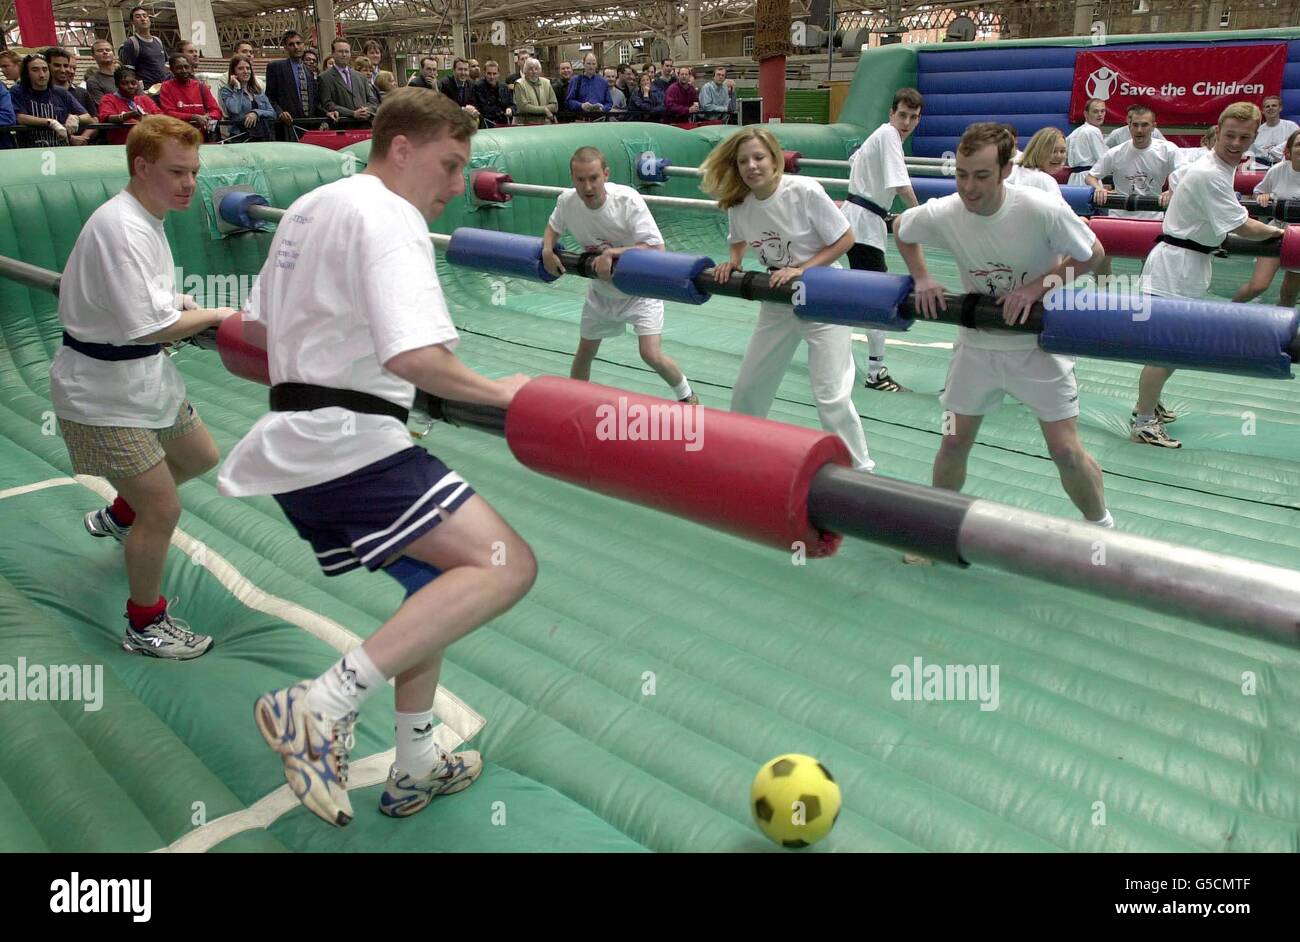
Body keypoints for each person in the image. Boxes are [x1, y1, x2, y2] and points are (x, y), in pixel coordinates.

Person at [218, 88, 536, 827]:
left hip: (301, 439)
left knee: (437, 592)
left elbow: (259, 328)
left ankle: (416, 763)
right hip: (350, 445)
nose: (458, 185)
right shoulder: (390, 214)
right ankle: (317, 706)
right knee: (506, 564)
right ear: (400, 149)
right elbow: (414, 355)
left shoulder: (310, 207)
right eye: (449, 164)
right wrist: (501, 394)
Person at [52, 115, 235, 658]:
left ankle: (119, 515)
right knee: (163, 510)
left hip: (144, 377)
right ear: (141, 167)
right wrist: (218, 315)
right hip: (101, 393)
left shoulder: (145, 216)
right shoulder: (122, 227)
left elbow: (140, 300)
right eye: (177, 172)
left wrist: (175, 302)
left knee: (199, 455)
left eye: (194, 172)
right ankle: (145, 625)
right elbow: (145, 327)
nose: (189, 183)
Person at [893, 122, 1112, 542]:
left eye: (981, 176)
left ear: (1006, 170)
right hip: (976, 347)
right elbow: (902, 227)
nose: (968, 187)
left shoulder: (1040, 209)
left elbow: (1092, 254)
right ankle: (936, 531)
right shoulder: (947, 211)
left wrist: (1035, 289)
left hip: (1037, 348)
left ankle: (1103, 531)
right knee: (953, 442)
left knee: (1066, 450)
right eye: (961, 174)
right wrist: (921, 277)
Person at [701, 127, 875, 471]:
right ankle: (737, 457)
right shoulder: (740, 203)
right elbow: (738, 236)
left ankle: (861, 471)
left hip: (825, 296)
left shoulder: (804, 191)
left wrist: (803, 270)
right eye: (743, 161)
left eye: (759, 158)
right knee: (749, 387)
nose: (752, 166)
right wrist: (734, 261)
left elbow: (845, 238)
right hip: (779, 299)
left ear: (775, 159)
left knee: (831, 395)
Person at [1133, 102, 1287, 448]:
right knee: (1167, 350)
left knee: (1170, 348)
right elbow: (1242, 226)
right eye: (1230, 135)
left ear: (1254, 138)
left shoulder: (1217, 166)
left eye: (1244, 137)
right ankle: (1144, 421)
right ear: (1218, 132)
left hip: (1187, 262)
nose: (1235, 143)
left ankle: (1147, 404)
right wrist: (1283, 234)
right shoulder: (1210, 173)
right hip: (1175, 266)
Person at [542, 146, 698, 404]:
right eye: (581, 179)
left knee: (650, 354)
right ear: (572, 179)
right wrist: (547, 249)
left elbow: (656, 248)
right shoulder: (567, 201)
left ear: (606, 174)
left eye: (594, 178)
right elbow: (553, 226)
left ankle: (688, 397)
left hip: (640, 291)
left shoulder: (627, 200)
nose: (588, 187)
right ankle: (573, 403)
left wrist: (613, 253)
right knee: (585, 350)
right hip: (601, 292)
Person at [841, 87, 923, 393]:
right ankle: (875, 373)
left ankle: (836, 355)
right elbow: (901, 185)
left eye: (913, 117)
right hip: (863, 224)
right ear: (892, 113)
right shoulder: (888, 135)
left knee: (858, 294)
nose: (906, 122)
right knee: (876, 297)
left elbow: (856, 161)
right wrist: (922, 216)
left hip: (862, 220)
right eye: (902, 115)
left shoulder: (879, 135)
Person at [1232, 129, 1300, 309]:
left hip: (1299, 238)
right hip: (1277, 231)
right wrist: (1265, 196)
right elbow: (1259, 192)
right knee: (1258, 286)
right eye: (1298, 145)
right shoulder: (1277, 170)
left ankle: (1284, 324)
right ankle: (1223, 314)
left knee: (1289, 293)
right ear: (1289, 151)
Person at [1085, 104, 1178, 220]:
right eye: (1135, 125)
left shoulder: (1167, 150)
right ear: (1129, 126)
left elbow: (1185, 173)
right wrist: (1098, 188)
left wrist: (1172, 190)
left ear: (1153, 126)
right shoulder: (1116, 152)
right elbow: (1090, 176)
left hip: (1152, 217)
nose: (1139, 130)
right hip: (1118, 217)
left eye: (1144, 125)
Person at [11, 54, 91, 147]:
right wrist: (51, 122)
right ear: (27, 73)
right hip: (30, 149)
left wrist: (76, 118)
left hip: (60, 147)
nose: (42, 75)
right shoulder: (18, 91)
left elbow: (87, 117)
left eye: (45, 70)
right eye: (35, 70)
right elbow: (20, 117)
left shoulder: (60, 92)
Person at [265, 30, 326, 141]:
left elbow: (314, 102)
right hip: (286, 127)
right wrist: (280, 113)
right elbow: (269, 96)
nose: (296, 47)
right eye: (291, 44)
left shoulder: (309, 72)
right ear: (285, 47)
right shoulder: (275, 67)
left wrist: (327, 114)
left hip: (308, 127)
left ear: (304, 45)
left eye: (298, 43)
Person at [317, 39, 379, 125]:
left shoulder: (360, 76)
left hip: (364, 125)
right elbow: (327, 104)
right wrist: (352, 114)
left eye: (347, 51)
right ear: (333, 54)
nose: (344, 55)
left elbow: (372, 100)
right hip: (343, 126)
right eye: (340, 51)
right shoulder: (324, 77)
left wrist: (367, 110)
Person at [159, 53, 221, 136]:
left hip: (202, 136)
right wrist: (193, 117)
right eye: (179, 68)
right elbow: (168, 113)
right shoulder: (166, 86)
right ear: (171, 70)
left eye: (186, 67)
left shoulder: (201, 86)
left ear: (191, 68)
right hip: (178, 136)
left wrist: (208, 117)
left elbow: (216, 111)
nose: (184, 70)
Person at [98, 65, 160, 144]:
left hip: (148, 143)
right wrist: (128, 115)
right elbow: (108, 118)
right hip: (121, 144)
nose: (130, 86)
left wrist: (148, 118)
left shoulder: (144, 99)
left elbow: (160, 117)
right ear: (117, 84)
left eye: (133, 83)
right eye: (125, 83)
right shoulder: (109, 99)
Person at [220, 54, 275, 141]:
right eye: (240, 68)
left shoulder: (257, 89)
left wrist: (256, 113)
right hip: (241, 138)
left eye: (248, 68)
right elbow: (235, 109)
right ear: (233, 72)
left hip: (263, 137)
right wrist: (237, 88)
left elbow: (272, 113)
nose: (245, 71)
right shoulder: (226, 90)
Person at [1010, 127, 1069, 200]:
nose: (1058, 156)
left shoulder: (1012, 170)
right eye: (1053, 151)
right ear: (1038, 151)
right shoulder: (1045, 181)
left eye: (1062, 151)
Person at [119, 6, 169, 92]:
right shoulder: (131, 43)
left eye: (145, 16)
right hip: (147, 92)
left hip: (165, 90)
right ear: (132, 22)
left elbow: (166, 64)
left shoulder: (158, 41)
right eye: (138, 17)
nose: (143, 19)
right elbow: (128, 72)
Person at [1065, 98, 1108, 187]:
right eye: (1095, 111)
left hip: (1073, 179)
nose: (1100, 114)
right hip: (1089, 178)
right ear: (1086, 114)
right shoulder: (1093, 131)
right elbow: (1103, 159)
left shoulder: (1073, 133)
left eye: (1102, 111)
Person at [1249, 95, 1298, 168]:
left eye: (1274, 105)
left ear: (1280, 108)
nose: (1270, 108)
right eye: (1267, 106)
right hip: (1260, 168)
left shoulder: (1291, 126)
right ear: (1263, 111)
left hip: (1286, 167)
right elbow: (1249, 154)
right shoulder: (1256, 131)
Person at [512, 57, 557, 125]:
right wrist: (544, 110)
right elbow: (523, 107)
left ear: (540, 71)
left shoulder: (547, 83)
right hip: (526, 124)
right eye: (530, 69)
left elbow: (555, 106)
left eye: (536, 69)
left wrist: (543, 109)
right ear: (525, 71)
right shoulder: (519, 84)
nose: (534, 72)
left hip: (546, 123)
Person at [566, 53, 611, 118]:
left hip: (599, 119)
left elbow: (609, 102)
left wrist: (602, 108)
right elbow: (569, 101)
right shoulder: (575, 80)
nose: (591, 67)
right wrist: (581, 105)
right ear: (583, 64)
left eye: (593, 64)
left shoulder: (603, 82)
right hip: (581, 119)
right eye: (588, 63)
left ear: (596, 65)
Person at [437, 58, 479, 124]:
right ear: (453, 70)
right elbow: (444, 107)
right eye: (460, 69)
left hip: (465, 120)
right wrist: (463, 110)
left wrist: (473, 109)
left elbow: (474, 103)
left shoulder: (471, 84)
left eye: (465, 70)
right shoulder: (444, 84)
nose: (463, 73)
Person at [472, 60, 512, 127]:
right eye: (489, 73)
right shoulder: (478, 87)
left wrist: (510, 110)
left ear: (498, 74)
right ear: (484, 73)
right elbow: (484, 109)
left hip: (503, 125)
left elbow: (512, 105)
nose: (492, 77)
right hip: (486, 125)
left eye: (494, 74)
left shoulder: (504, 87)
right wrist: (502, 112)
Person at [85, 38, 119, 116]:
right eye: (100, 50)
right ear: (93, 56)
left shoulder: (127, 74)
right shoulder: (93, 81)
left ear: (113, 53)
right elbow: (104, 107)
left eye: (108, 50)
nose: (105, 52)